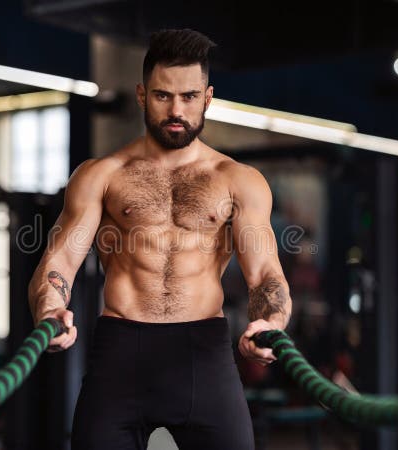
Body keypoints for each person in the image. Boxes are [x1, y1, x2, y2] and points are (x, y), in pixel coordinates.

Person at [28, 28, 293, 450]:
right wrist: (50, 309)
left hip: (203, 353)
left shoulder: (238, 181)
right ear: (140, 95)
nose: (176, 110)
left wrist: (271, 322)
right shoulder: (102, 175)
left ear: (207, 98)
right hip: (121, 353)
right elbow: (58, 261)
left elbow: (264, 275)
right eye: (162, 96)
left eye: (188, 97)